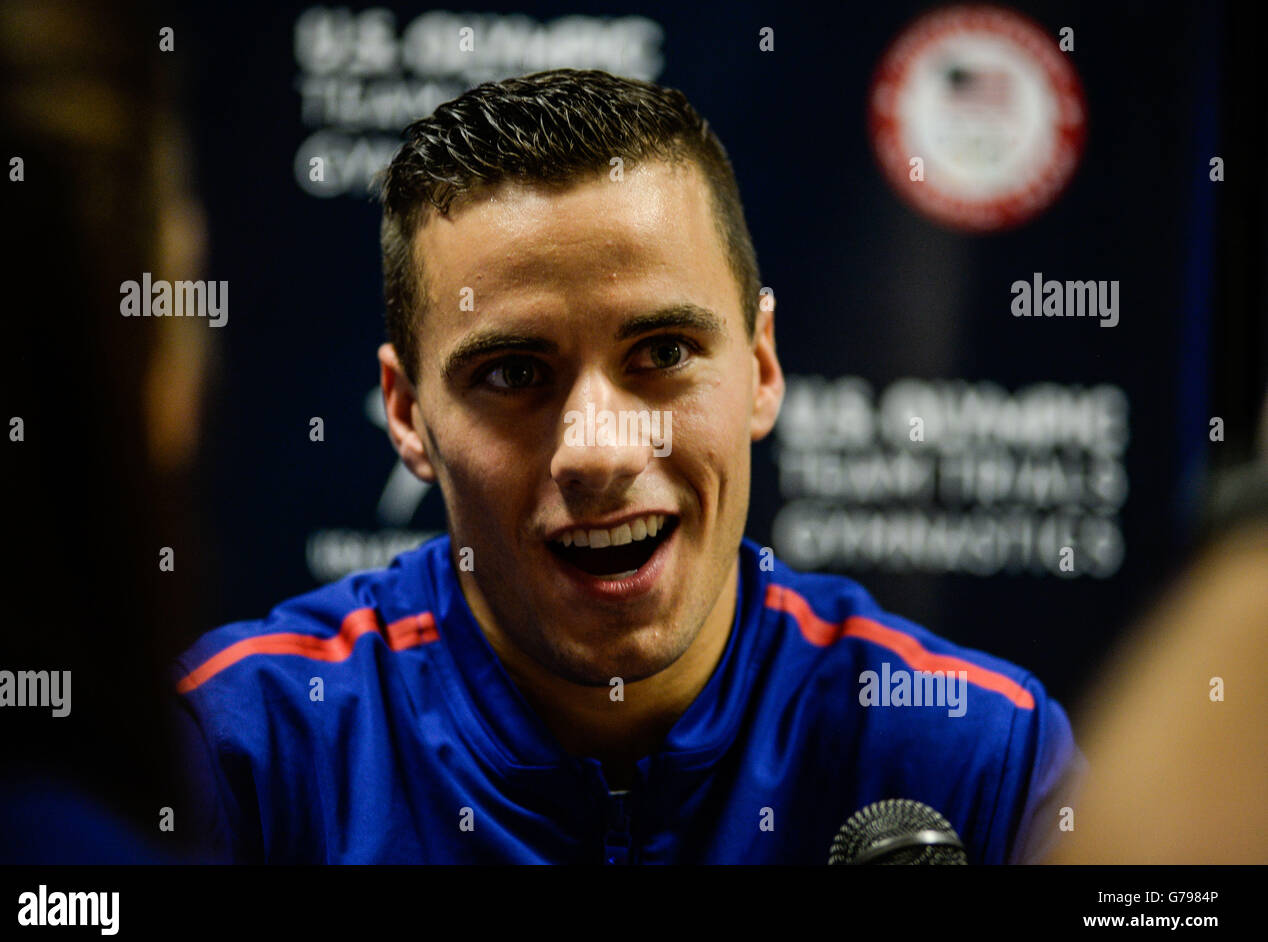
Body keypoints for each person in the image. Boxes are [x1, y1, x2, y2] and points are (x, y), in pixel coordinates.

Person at [171, 69, 1082, 864]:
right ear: (408, 414)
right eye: (514, 373)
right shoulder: (245, 749)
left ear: (761, 369)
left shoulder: (975, 754)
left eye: (663, 351)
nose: (599, 452)